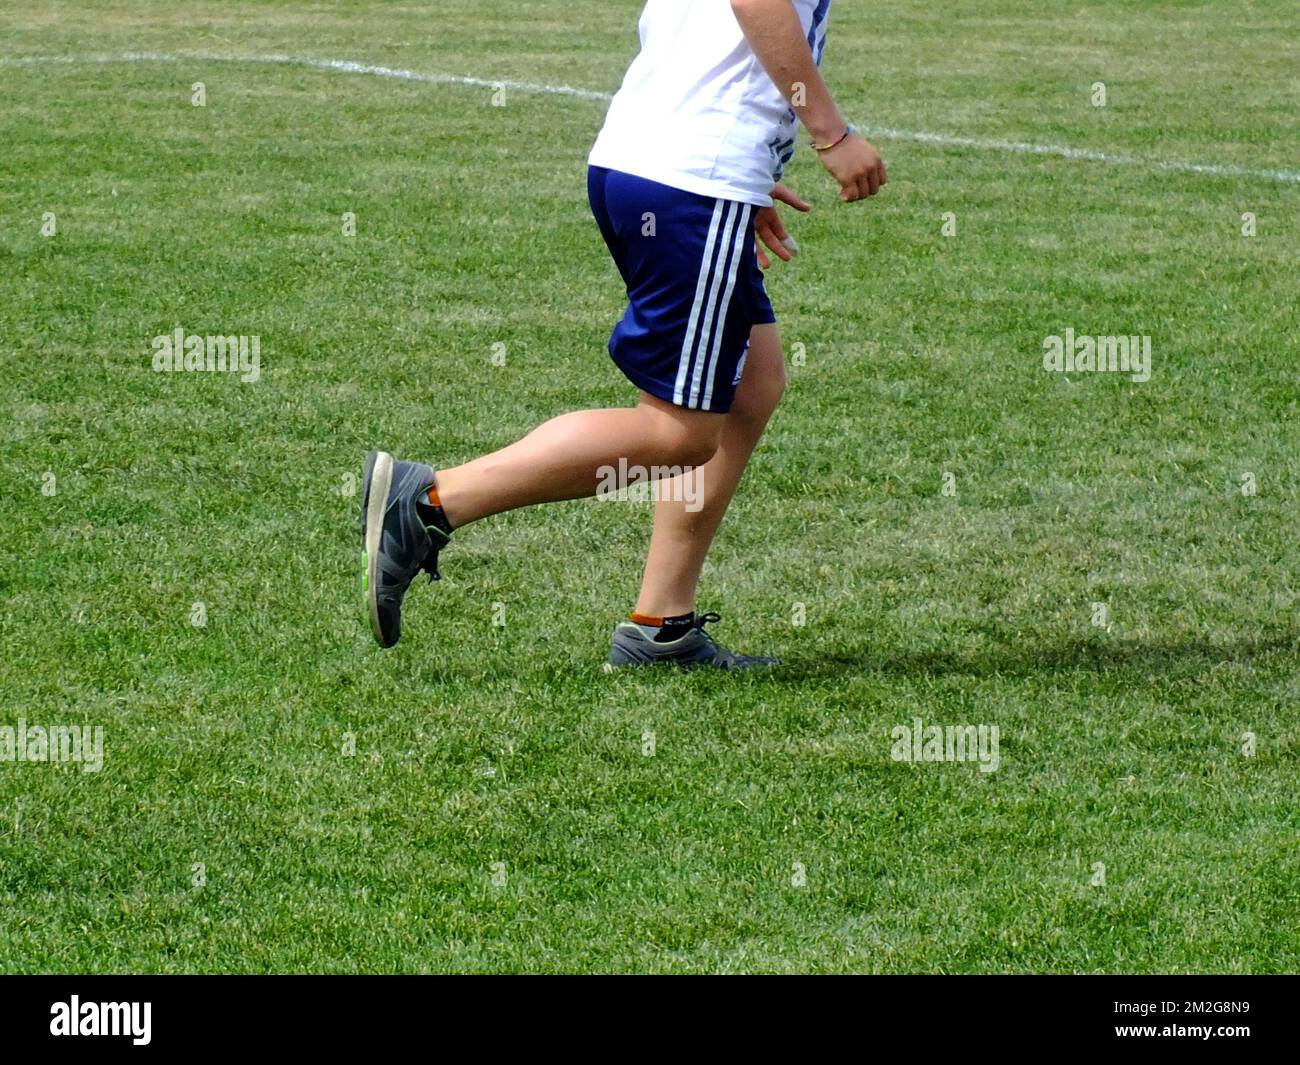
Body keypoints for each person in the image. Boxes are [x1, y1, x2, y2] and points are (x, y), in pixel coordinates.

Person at [361, 0, 886, 666]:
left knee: (753, 382)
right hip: (693, 176)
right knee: (681, 433)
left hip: (656, 164)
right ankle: (431, 503)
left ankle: (660, 624)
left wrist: (750, 174)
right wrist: (831, 136)